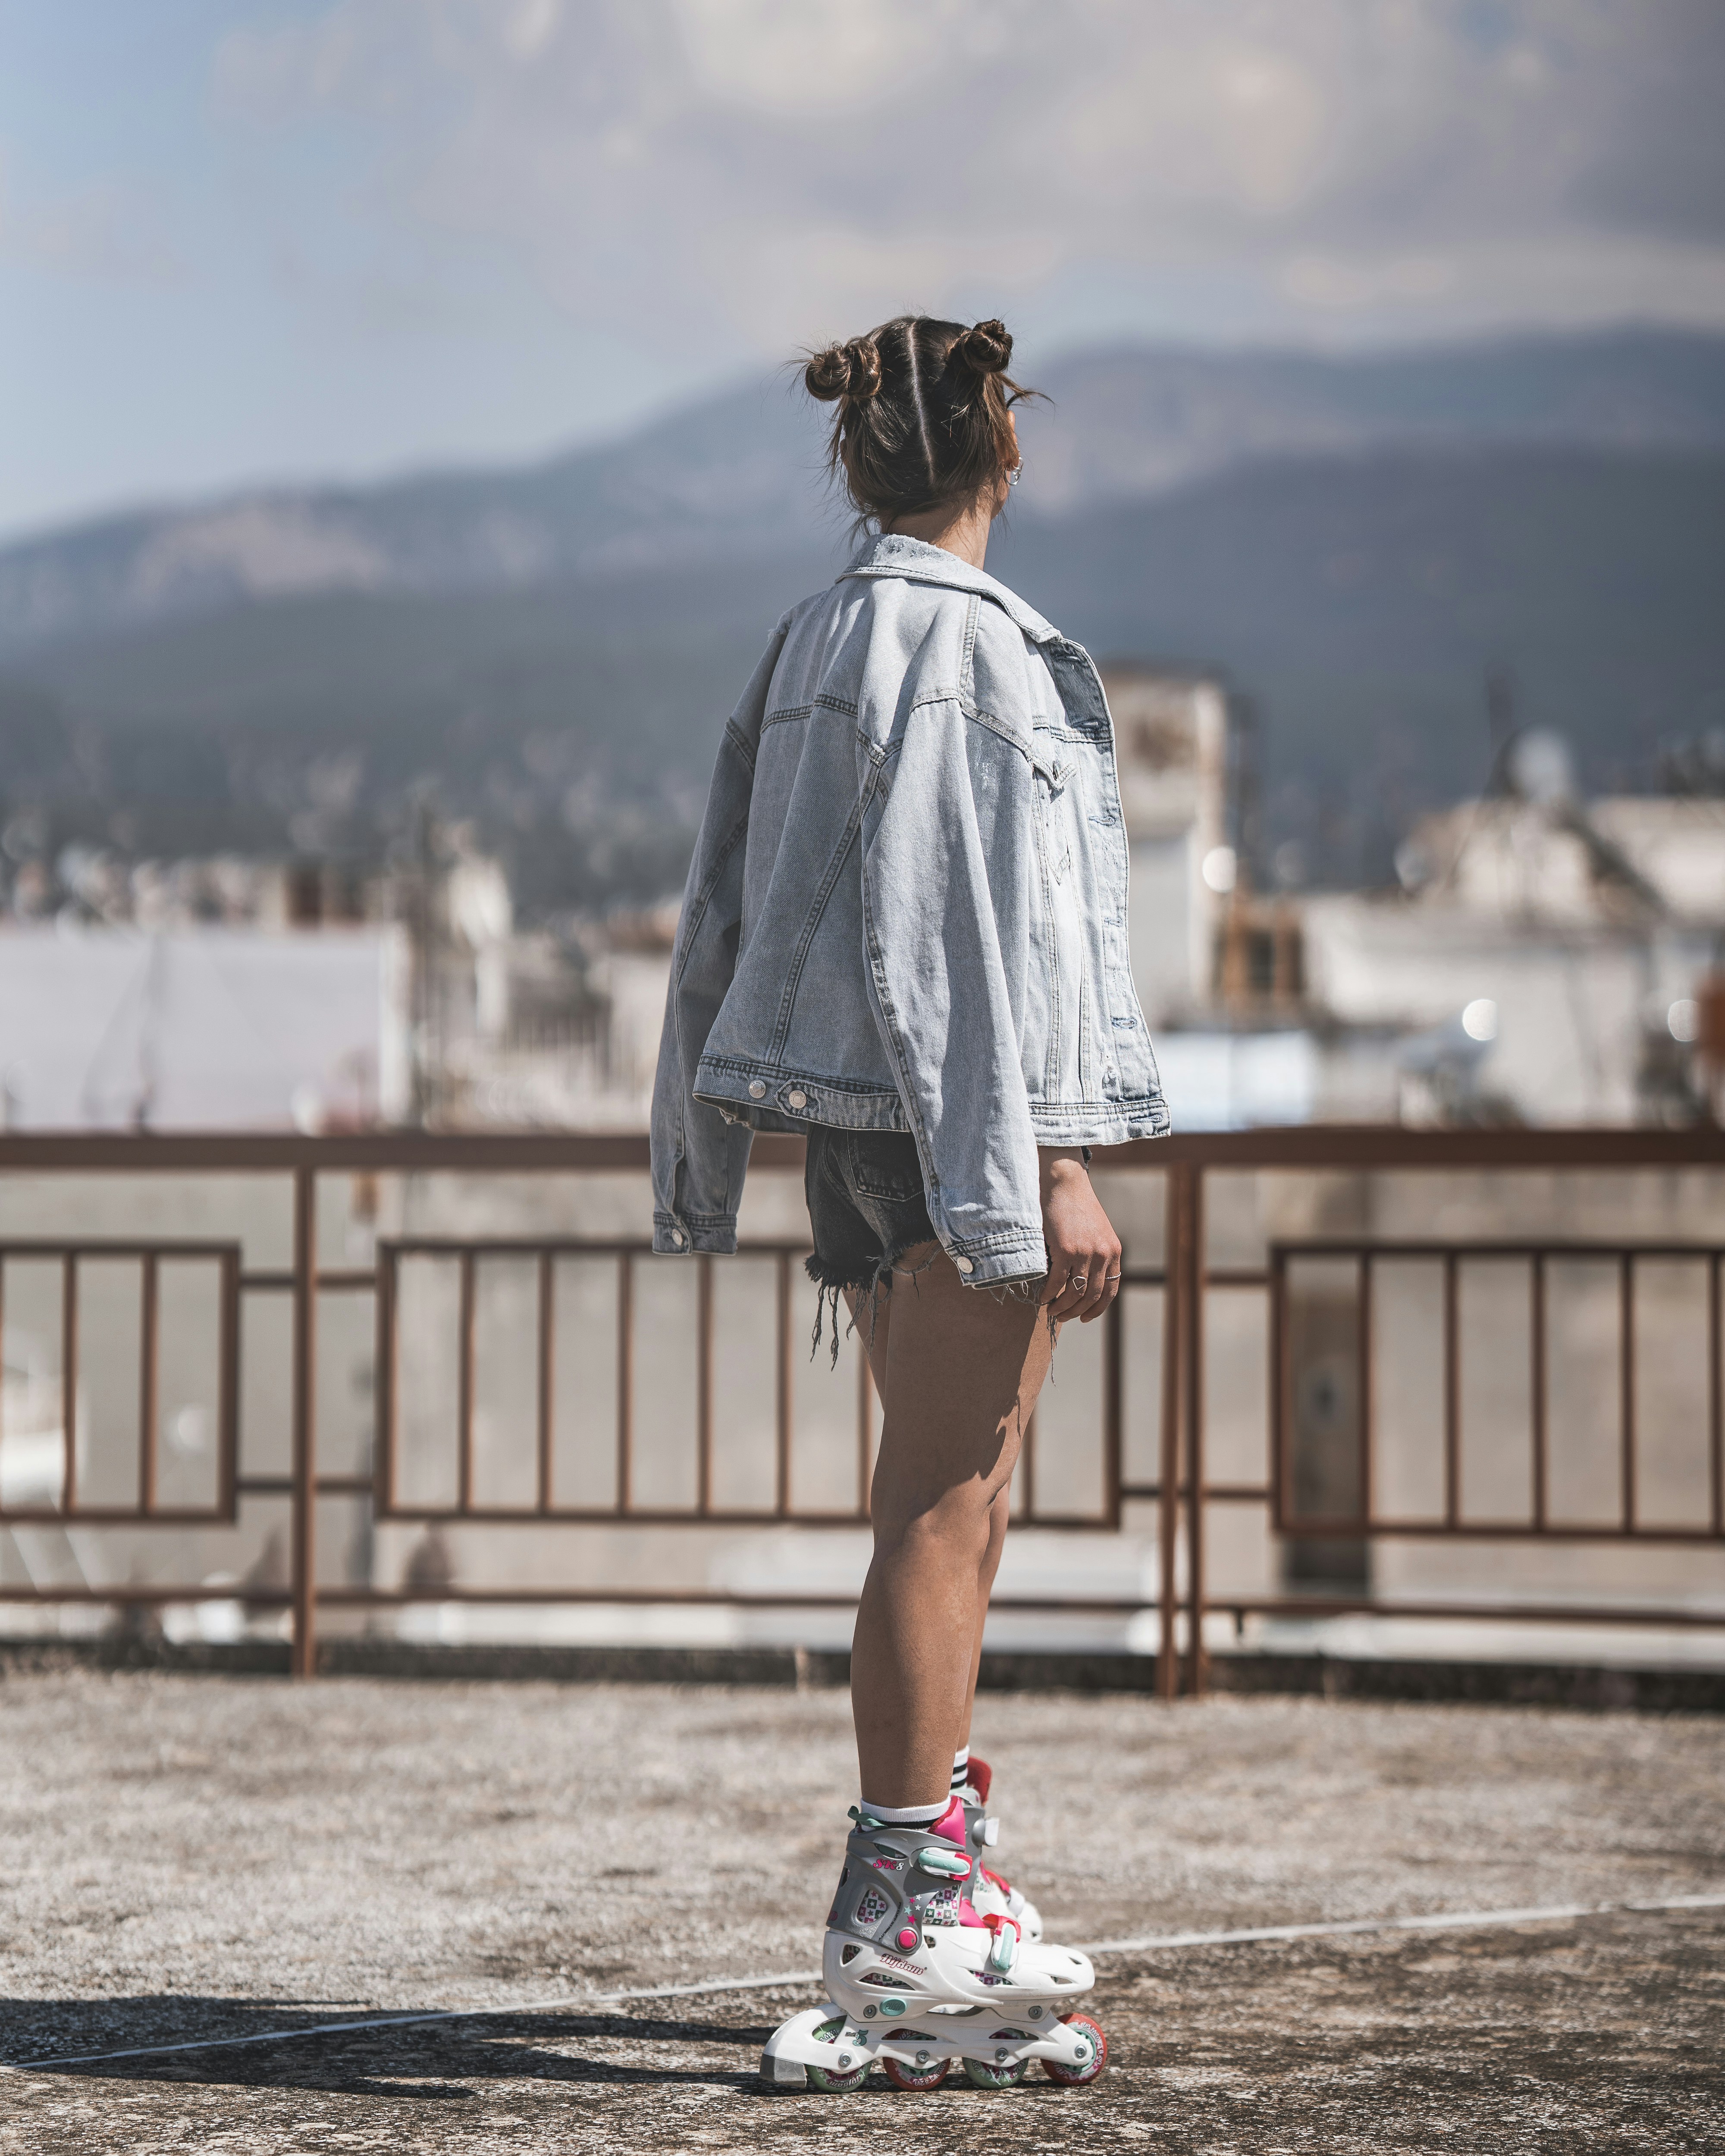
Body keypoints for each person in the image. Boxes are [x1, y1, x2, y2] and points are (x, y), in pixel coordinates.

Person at [649, 313, 1168, 2092]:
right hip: (958, 1120)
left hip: (857, 1123)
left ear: (855, 461)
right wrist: (1051, 1158)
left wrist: (701, 1148)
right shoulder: (973, 651)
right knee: (948, 1500)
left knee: (939, 1494)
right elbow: (971, 926)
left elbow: (721, 909)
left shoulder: (809, 637)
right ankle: (904, 1886)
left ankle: (928, 1851)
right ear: (999, 457)